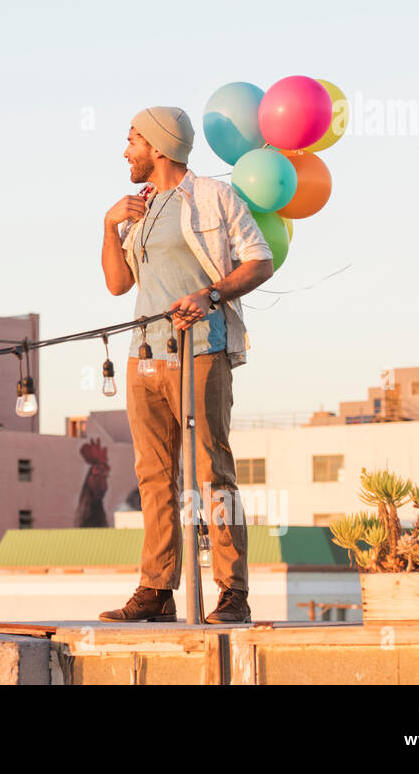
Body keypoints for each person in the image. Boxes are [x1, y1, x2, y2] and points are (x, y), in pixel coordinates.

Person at [98, 106, 274, 624]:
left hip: (200, 351)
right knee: (153, 477)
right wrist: (110, 226)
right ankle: (156, 591)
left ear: (158, 147)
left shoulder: (214, 197)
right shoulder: (140, 205)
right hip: (142, 355)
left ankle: (232, 591)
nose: (125, 151)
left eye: (132, 140)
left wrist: (211, 293)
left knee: (212, 472)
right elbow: (116, 284)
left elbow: (258, 259)